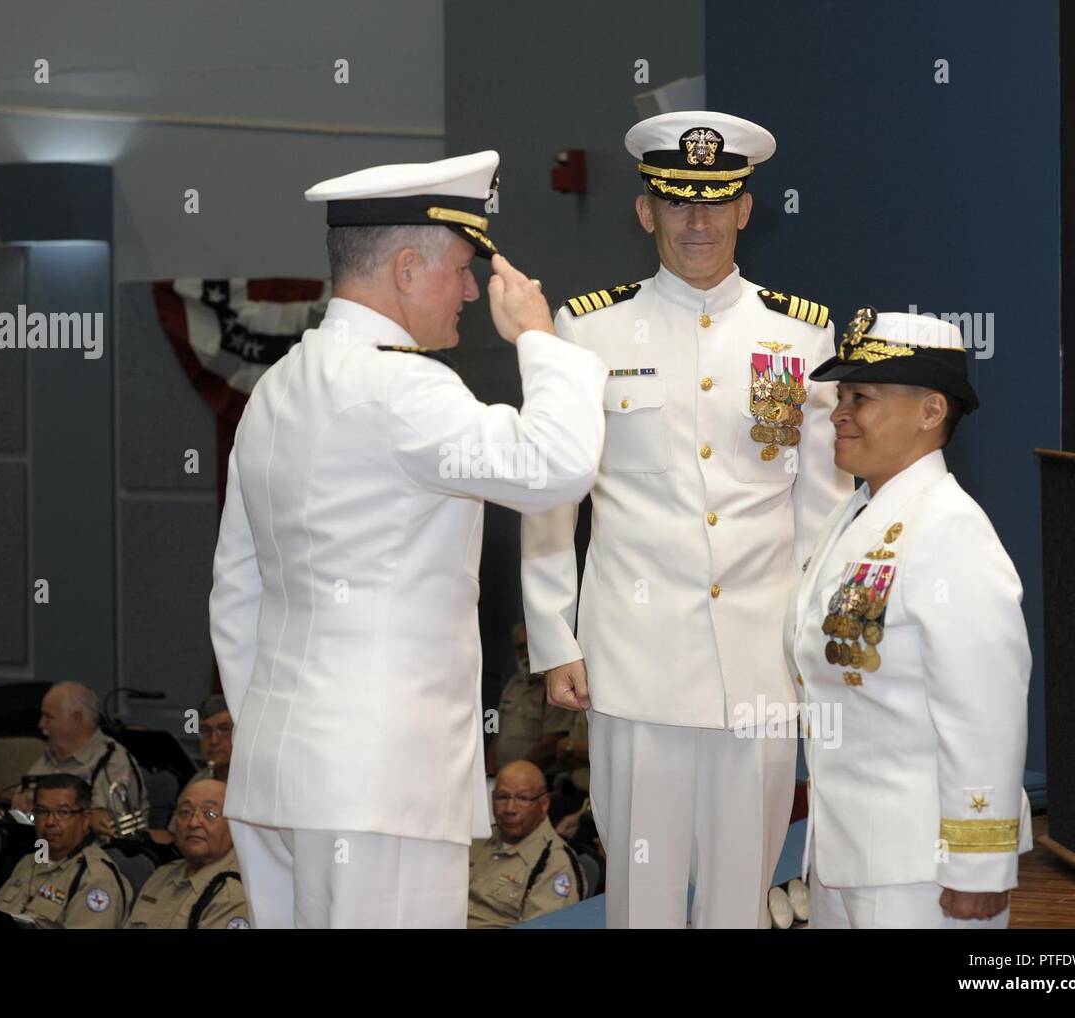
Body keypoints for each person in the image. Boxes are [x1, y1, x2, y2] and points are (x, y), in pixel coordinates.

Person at [210, 150, 607, 929]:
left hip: (279, 774)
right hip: (378, 787)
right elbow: (559, 466)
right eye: (461, 267)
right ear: (404, 268)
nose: (469, 289)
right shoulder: (404, 387)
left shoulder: (276, 389)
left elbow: (235, 595)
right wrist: (542, 342)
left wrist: (282, 731)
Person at [521, 111, 852, 928]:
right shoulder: (587, 329)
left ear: (745, 209)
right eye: (678, 202)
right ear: (646, 212)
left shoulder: (802, 334)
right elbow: (551, 501)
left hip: (762, 660)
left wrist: (815, 640)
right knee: (643, 899)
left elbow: (824, 507)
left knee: (743, 895)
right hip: (634, 666)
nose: (697, 222)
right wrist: (556, 637)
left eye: (717, 201)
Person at [787, 308, 1032, 928]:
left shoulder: (950, 530)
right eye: (840, 395)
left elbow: (985, 714)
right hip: (849, 857)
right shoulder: (854, 516)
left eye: (861, 396)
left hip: (923, 871)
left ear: (930, 411)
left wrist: (978, 864)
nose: (839, 412)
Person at [12, 681, 147, 839]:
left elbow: (110, 828)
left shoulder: (112, 761)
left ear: (76, 719)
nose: (41, 724)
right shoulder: (49, 757)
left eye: (49, 717)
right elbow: (22, 804)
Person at [0, 774, 131, 928]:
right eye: (42, 812)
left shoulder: (96, 879)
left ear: (85, 819)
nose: (50, 822)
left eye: (63, 812)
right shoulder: (29, 862)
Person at [468, 761, 582, 928]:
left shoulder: (554, 864)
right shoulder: (479, 840)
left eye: (522, 798)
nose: (510, 808)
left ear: (544, 805)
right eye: (502, 797)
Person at [124, 779, 250, 929]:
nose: (193, 823)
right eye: (185, 812)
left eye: (209, 814)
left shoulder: (235, 893)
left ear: (234, 826)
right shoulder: (162, 875)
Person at [490, 623, 573, 772]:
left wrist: (516, 773)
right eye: (521, 647)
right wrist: (489, 771)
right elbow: (495, 731)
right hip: (502, 779)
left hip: (535, 782)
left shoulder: (555, 686)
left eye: (530, 645)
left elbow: (552, 742)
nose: (526, 652)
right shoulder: (513, 684)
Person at [187, 694, 232, 785]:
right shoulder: (199, 780)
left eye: (224, 730)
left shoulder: (253, 784)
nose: (213, 741)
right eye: (206, 730)